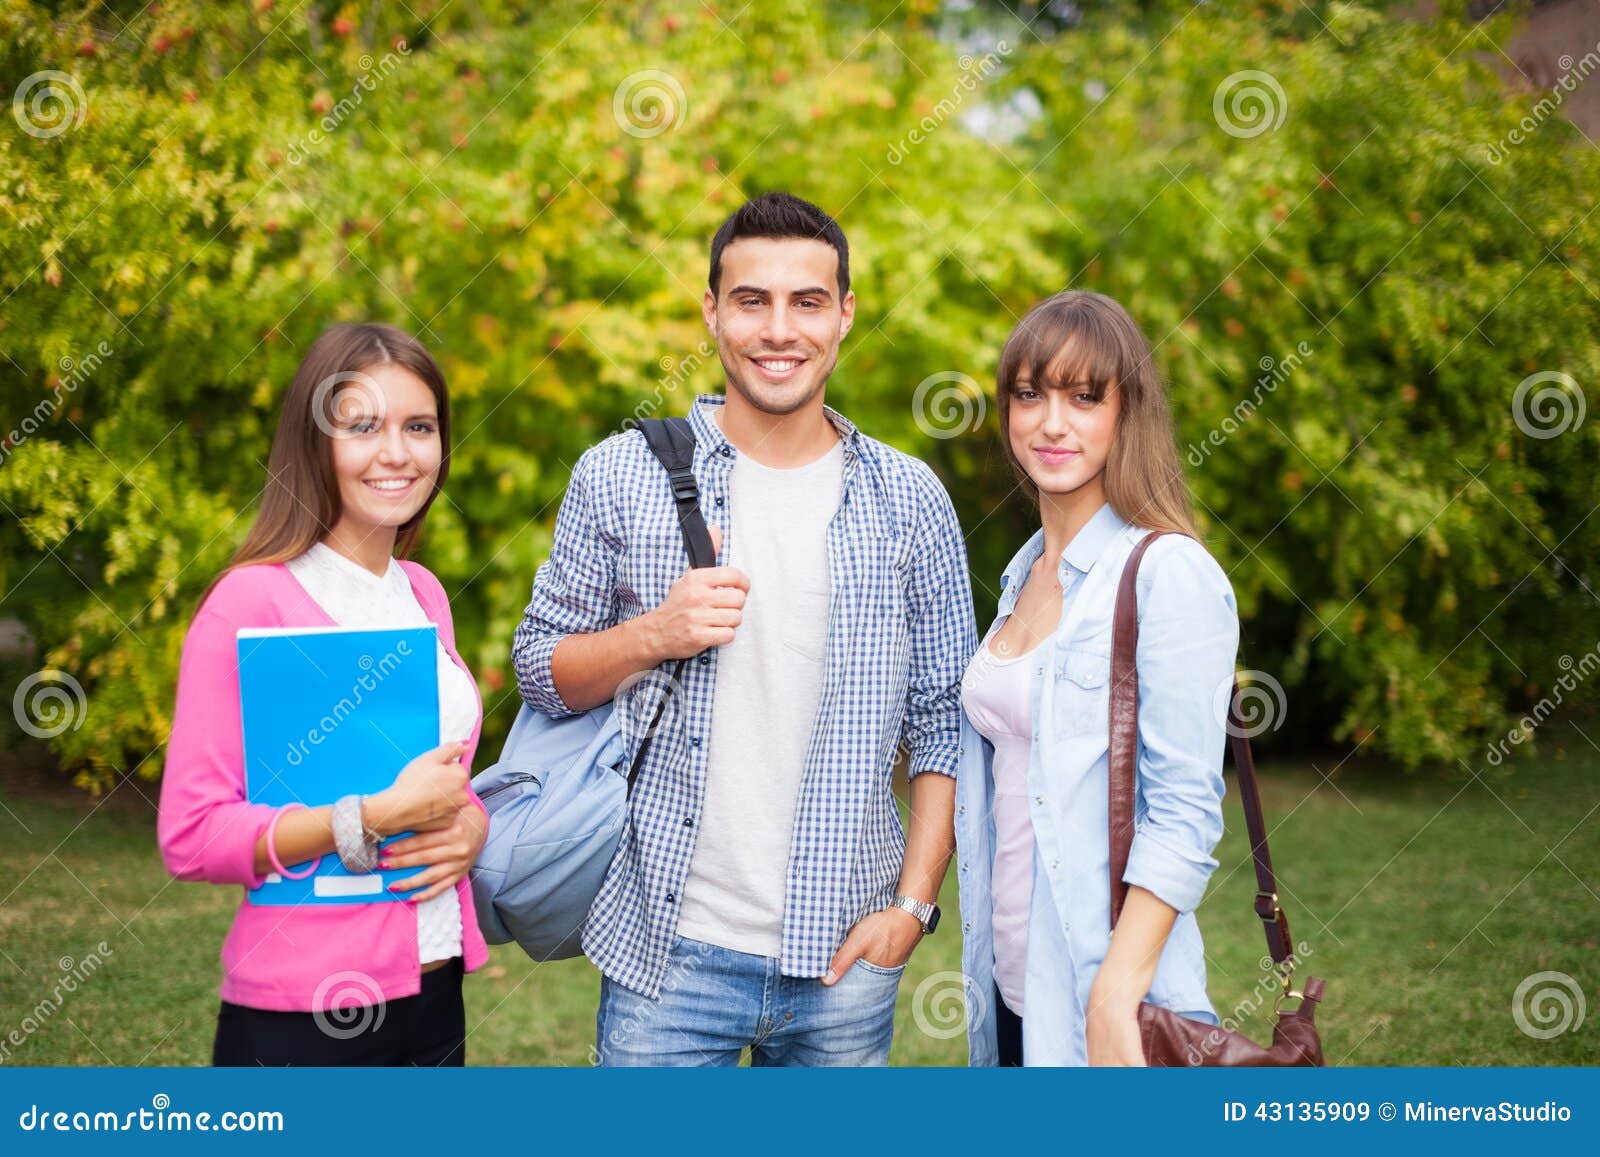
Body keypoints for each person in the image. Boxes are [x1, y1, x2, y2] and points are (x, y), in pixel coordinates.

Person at [512, 192, 977, 1066]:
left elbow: (941, 720)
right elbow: (540, 668)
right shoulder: (620, 476)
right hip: (666, 954)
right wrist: (655, 632)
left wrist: (912, 908)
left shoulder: (910, 500)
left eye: (807, 301)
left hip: (845, 955)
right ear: (711, 312)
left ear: (844, 316)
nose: (778, 329)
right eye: (750, 299)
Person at [158, 322, 490, 1066]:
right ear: (316, 443)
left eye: (420, 426)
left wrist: (472, 826)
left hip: (434, 993)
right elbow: (192, 834)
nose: (397, 452)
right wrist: (366, 819)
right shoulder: (251, 602)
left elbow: (438, 775)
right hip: (303, 1010)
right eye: (363, 426)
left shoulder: (425, 594)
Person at [954, 290, 1239, 1066]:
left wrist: (1116, 994)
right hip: (1011, 994)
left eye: (1084, 397)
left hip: (1106, 1005)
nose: (1052, 422)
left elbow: (1184, 809)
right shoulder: (1021, 578)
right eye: (1029, 394)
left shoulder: (1165, 573)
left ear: (1126, 413)